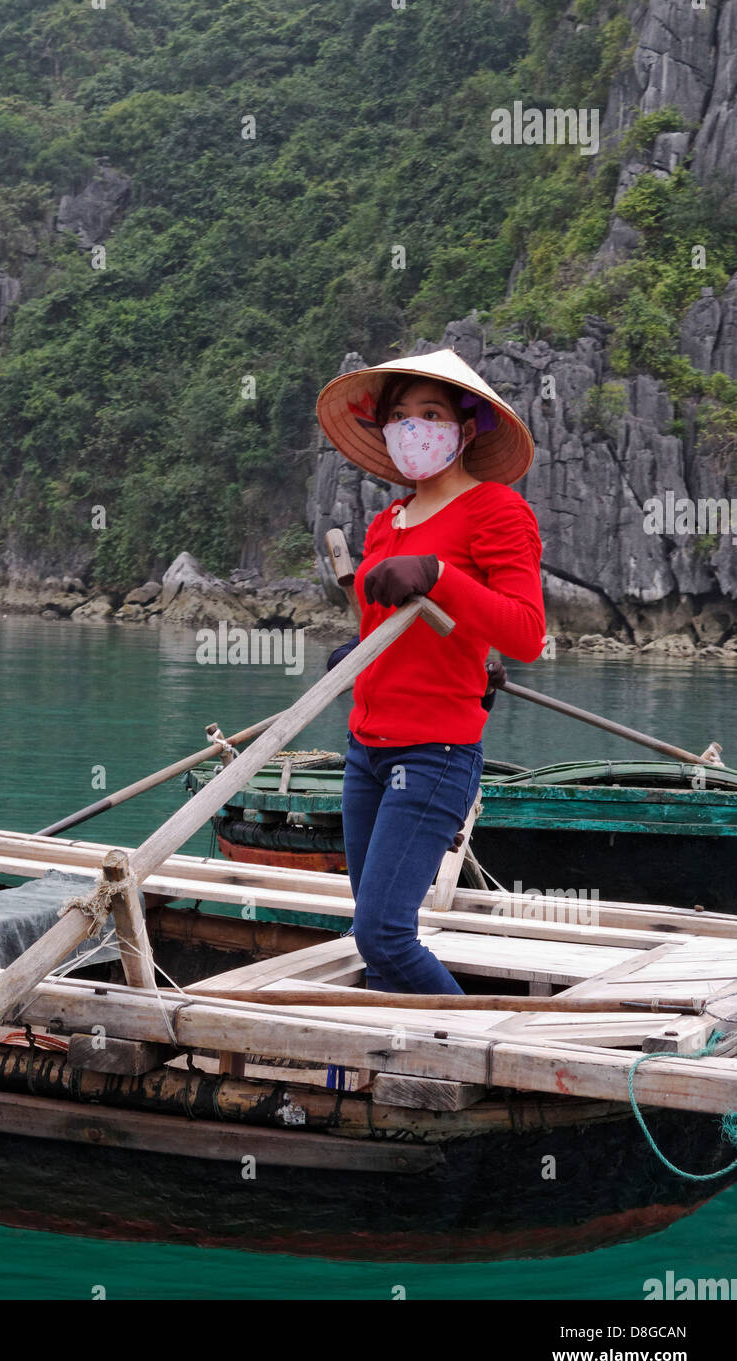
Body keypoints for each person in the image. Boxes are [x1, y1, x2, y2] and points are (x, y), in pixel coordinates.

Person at [315, 348, 545, 995]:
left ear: (465, 429)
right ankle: (397, 1071)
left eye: (432, 413)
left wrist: (441, 576)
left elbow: (525, 633)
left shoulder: (495, 510)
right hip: (367, 750)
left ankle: (481, 1057)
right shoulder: (388, 521)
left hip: (436, 750)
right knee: (374, 935)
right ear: (385, 432)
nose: (414, 426)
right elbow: (390, 622)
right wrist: (357, 661)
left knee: (382, 933)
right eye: (400, 416)